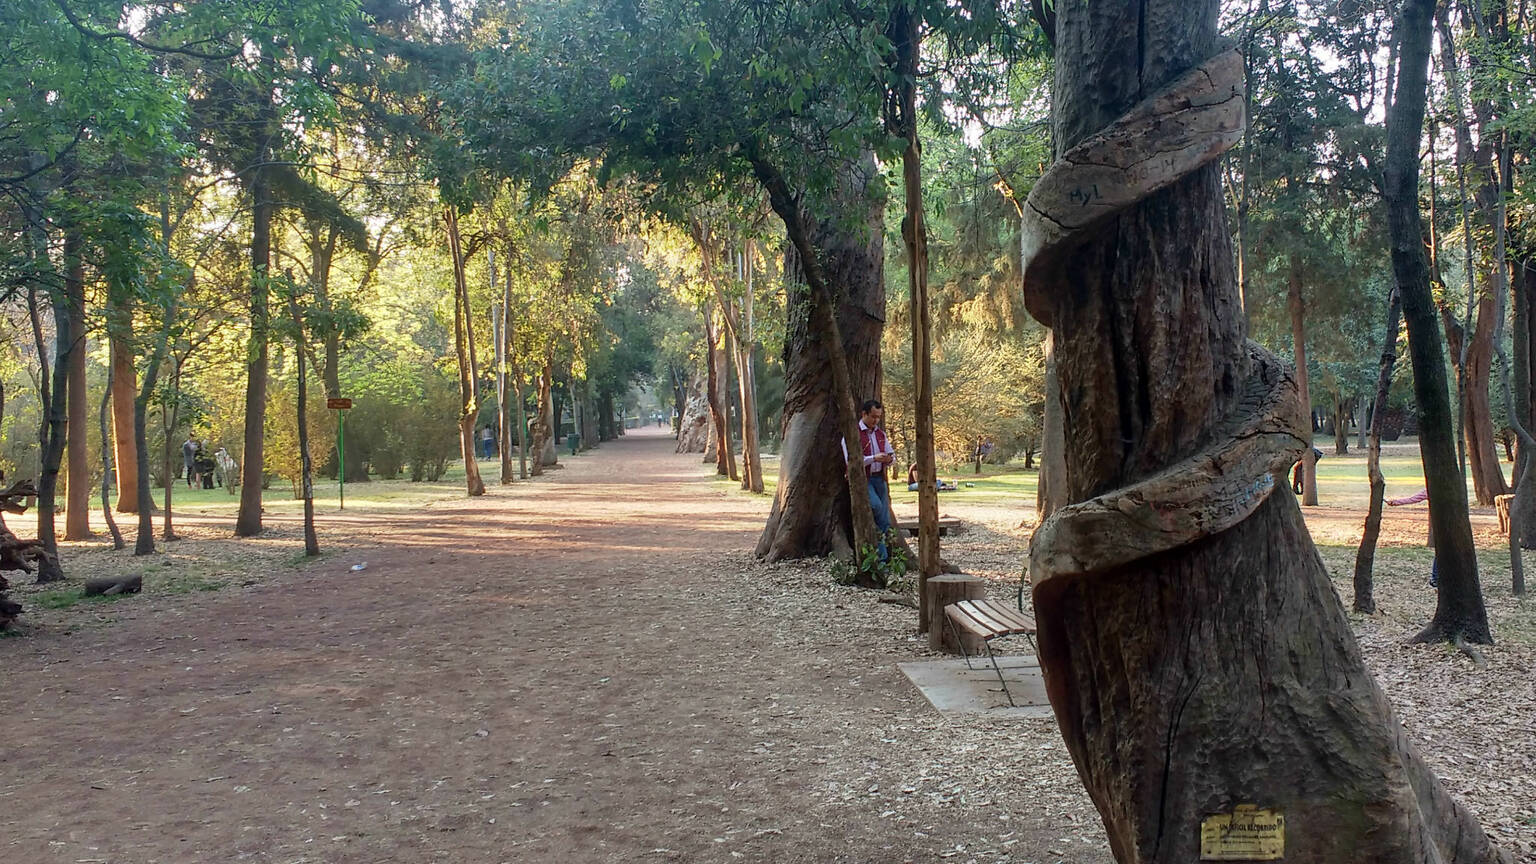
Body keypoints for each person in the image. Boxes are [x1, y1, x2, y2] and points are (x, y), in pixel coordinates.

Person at [841, 399, 896, 560]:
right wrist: (874, 458)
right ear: (864, 414)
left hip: (880, 479)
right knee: (876, 507)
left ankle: (884, 558)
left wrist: (888, 459)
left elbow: (890, 454)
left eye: (878, 417)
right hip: (864, 480)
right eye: (873, 417)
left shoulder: (881, 434)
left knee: (884, 520)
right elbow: (851, 460)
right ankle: (879, 557)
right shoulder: (853, 435)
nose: (876, 420)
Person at [1387, 488, 1437, 587]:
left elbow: (1413, 499)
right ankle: (1435, 577)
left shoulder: (1433, 487)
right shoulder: (1432, 487)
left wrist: (1395, 502)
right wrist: (1395, 502)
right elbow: (1413, 499)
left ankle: (1436, 577)